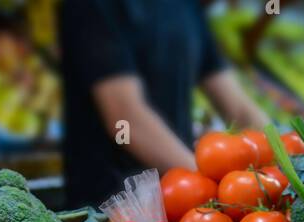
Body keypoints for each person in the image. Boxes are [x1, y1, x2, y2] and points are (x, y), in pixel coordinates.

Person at [60, 0, 270, 209]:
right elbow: (126, 119)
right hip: (110, 212)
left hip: (180, 203)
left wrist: (284, 158)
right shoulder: (92, 6)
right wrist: (215, 186)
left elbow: (240, 109)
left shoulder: (186, 6)